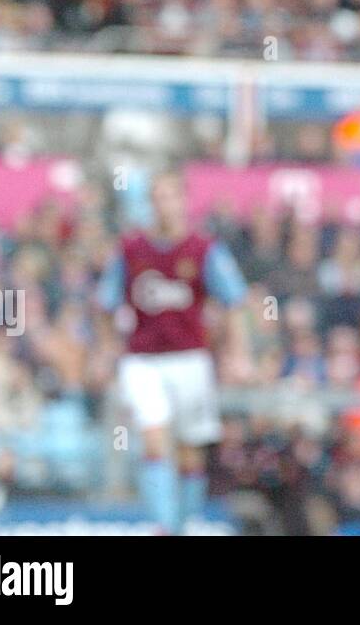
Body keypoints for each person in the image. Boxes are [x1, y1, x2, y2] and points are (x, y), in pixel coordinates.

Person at [98, 171, 248, 534]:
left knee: (189, 450)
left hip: (190, 359)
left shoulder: (203, 249)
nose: (165, 206)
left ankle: (181, 524)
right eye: (158, 198)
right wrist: (105, 350)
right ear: (150, 204)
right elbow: (105, 302)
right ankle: (163, 525)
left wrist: (238, 353)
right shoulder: (131, 250)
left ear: (183, 200)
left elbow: (235, 302)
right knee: (153, 435)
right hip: (143, 359)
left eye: (171, 197)